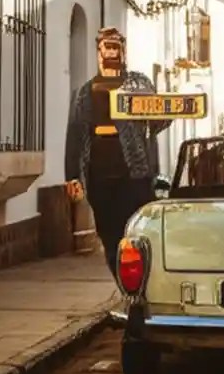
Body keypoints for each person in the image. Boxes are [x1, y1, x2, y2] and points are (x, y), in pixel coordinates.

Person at [64, 27, 173, 275]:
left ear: (123, 51)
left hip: (134, 174)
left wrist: (170, 111)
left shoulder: (139, 83)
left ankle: (141, 285)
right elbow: (75, 135)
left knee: (137, 234)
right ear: (99, 51)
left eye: (116, 46)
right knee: (110, 237)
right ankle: (124, 286)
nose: (112, 51)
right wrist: (72, 175)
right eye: (107, 46)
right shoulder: (84, 93)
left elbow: (157, 122)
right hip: (98, 176)